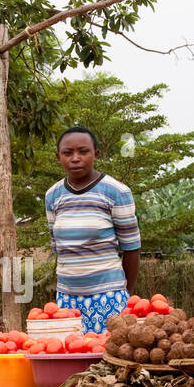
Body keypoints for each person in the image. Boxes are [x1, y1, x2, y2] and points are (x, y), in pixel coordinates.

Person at [44, 126, 141, 333]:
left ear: (96, 154)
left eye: (83, 151)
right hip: (66, 301)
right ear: (58, 157)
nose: (75, 158)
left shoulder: (116, 192)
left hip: (108, 298)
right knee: (69, 358)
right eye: (67, 153)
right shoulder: (52, 196)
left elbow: (132, 248)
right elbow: (58, 248)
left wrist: (126, 296)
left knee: (107, 359)